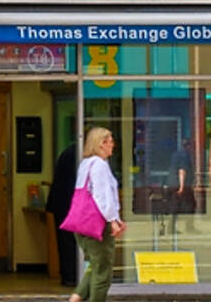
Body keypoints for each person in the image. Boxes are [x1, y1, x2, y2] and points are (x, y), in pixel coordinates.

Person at [69, 127, 123, 302]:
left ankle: (75, 299)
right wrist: (113, 220)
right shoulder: (99, 165)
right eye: (110, 141)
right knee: (102, 272)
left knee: (94, 265)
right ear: (101, 144)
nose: (113, 145)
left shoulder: (86, 164)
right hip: (97, 225)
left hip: (82, 224)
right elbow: (102, 196)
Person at [46, 142, 78, 286]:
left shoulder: (69, 152)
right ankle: (71, 276)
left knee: (66, 241)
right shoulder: (75, 155)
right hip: (68, 203)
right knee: (69, 241)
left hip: (62, 202)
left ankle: (69, 276)